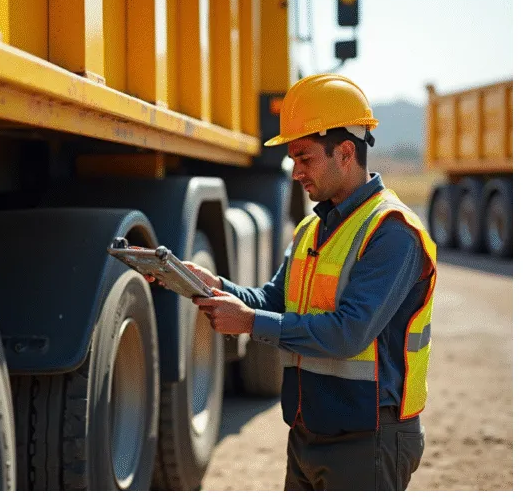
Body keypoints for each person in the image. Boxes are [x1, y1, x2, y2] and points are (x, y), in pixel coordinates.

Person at [147, 73, 437, 491]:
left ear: (345, 153)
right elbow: (273, 299)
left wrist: (249, 323)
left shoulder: (392, 232)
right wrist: (214, 285)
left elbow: (348, 333)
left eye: (304, 158)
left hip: (367, 440)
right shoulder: (311, 229)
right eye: (292, 159)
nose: (295, 172)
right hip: (308, 432)